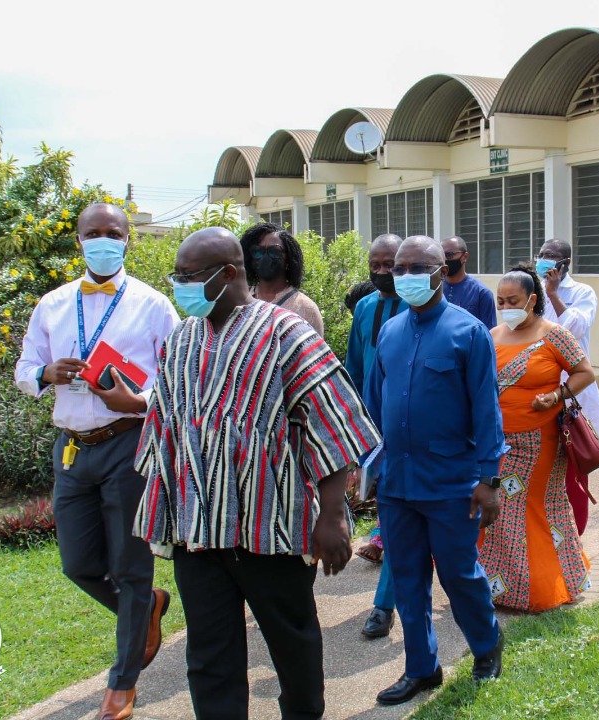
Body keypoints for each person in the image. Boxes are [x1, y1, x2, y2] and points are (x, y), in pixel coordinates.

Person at [133, 227, 380, 720]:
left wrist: (332, 517)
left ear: (228, 274)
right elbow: (166, 427)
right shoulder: (182, 338)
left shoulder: (286, 331)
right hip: (198, 532)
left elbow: (333, 420)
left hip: (272, 529)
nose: (180, 286)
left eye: (188, 277)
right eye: (176, 277)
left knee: (292, 646)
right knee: (208, 655)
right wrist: (161, 514)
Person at [14, 203, 178, 720]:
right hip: (70, 447)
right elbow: (23, 369)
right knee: (78, 564)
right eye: (93, 233)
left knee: (131, 567)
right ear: (79, 240)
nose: (102, 240)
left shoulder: (153, 306)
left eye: (113, 233)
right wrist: (47, 374)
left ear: (128, 240)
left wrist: (138, 400)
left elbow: (176, 381)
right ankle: (146, 607)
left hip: (128, 443)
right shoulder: (54, 304)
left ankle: (121, 685)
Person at [365, 236, 506, 705]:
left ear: (439, 272)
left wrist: (489, 481)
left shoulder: (469, 333)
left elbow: (487, 411)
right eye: (398, 268)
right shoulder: (390, 332)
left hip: (451, 483)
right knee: (407, 578)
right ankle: (422, 668)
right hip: (397, 483)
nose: (402, 275)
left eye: (414, 267)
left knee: (458, 573)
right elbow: (373, 406)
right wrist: (364, 467)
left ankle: (486, 646)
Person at [480, 265, 595, 610]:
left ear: (532, 299)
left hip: (538, 441)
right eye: (500, 300)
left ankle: (541, 586)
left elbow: (584, 372)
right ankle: (504, 586)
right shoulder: (491, 335)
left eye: (513, 300)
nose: (506, 306)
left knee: (530, 508)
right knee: (501, 513)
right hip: (497, 441)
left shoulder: (554, 334)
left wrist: (557, 396)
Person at [343, 234, 409, 640]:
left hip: (413, 431)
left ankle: (384, 605)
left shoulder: (423, 308)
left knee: (399, 519)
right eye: (376, 265)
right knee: (390, 513)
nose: (383, 272)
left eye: (391, 265)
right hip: (372, 429)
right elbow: (352, 368)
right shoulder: (365, 308)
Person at [535, 239, 599, 534]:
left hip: (572, 391)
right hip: (539, 388)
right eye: (541, 255)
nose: (544, 260)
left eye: (551, 256)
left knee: (573, 471)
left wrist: (553, 294)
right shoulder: (533, 290)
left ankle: (575, 537)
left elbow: (574, 329)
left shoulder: (583, 293)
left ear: (566, 263)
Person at [239, 221, 324, 335]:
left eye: (274, 251)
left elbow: (314, 351)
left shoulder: (306, 308)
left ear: (288, 258)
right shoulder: (240, 303)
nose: (265, 257)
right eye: (258, 251)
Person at [441, 235, 496, 329]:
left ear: (465, 257)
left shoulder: (481, 293)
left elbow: (489, 333)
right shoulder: (434, 289)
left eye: (449, 255)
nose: (445, 260)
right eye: (441, 255)